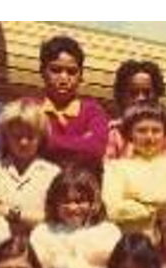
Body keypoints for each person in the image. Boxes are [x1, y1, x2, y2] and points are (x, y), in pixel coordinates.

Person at [29, 167, 122, 268]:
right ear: (54, 203)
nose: (72, 207)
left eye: (80, 201)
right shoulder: (42, 232)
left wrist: (59, 264)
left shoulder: (108, 231)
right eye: (65, 202)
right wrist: (87, 265)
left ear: (94, 201)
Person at [102, 102, 166, 235]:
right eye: (142, 131)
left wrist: (137, 200)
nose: (149, 137)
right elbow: (113, 210)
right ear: (130, 134)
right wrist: (158, 206)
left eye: (156, 131)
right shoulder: (116, 168)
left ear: (164, 134)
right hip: (132, 239)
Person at [31, 35, 109, 171]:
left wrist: (43, 141)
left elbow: (95, 149)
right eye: (55, 70)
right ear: (42, 71)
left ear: (81, 75)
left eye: (72, 72)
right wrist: (80, 142)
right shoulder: (29, 108)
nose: (64, 78)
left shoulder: (93, 112)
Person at [0, 99, 61, 232]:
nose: (23, 142)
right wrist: (32, 218)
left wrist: (11, 213)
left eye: (30, 137)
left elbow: (54, 219)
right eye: (16, 136)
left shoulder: (54, 174)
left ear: (41, 138)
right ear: (6, 138)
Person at [104, 60, 166, 160]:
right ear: (121, 95)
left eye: (147, 92)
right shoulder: (113, 132)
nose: (141, 98)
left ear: (157, 94)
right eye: (133, 93)